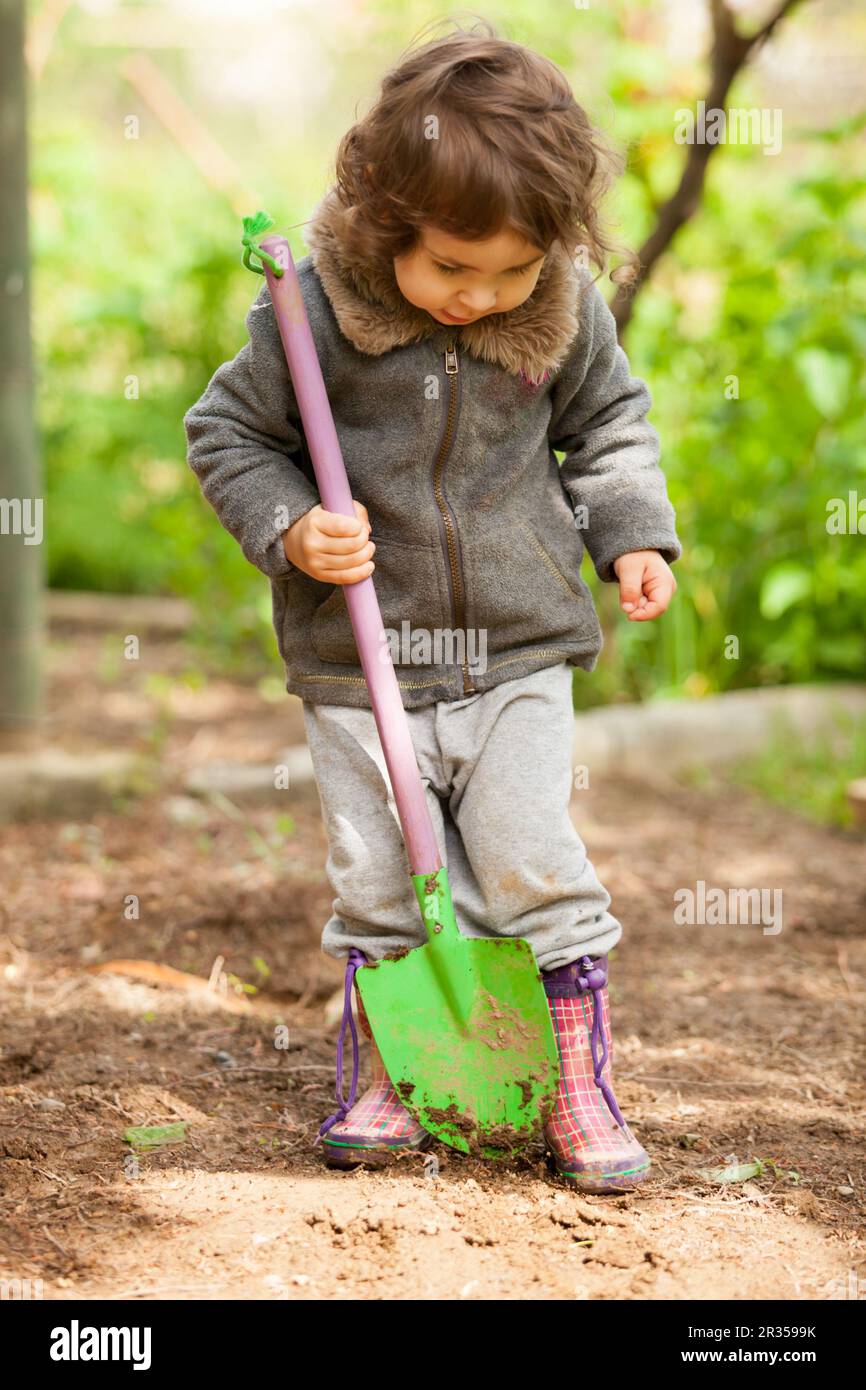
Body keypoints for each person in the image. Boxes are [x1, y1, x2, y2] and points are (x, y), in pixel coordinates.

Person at [183, 23, 682, 1193]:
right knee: (376, 877)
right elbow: (228, 433)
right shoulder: (309, 315)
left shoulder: (558, 307)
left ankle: (573, 1078)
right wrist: (291, 527)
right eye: (453, 267)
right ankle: (389, 1068)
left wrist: (630, 533)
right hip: (360, 665)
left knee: (528, 859)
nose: (480, 296)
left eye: (511, 272)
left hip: (516, 649)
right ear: (385, 218)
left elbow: (607, 425)